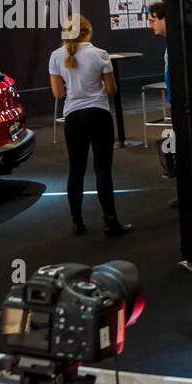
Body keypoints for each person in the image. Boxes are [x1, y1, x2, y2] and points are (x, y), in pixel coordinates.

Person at [48, 15, 131, 237]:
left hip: (73, 118)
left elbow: (58, 93)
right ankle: (110, 222)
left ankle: (77, 222)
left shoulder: (55, 56)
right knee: (103, 170)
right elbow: (112, 89)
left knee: (76, 170)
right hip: (98, 114)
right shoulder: (100, 54)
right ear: (88, 32)